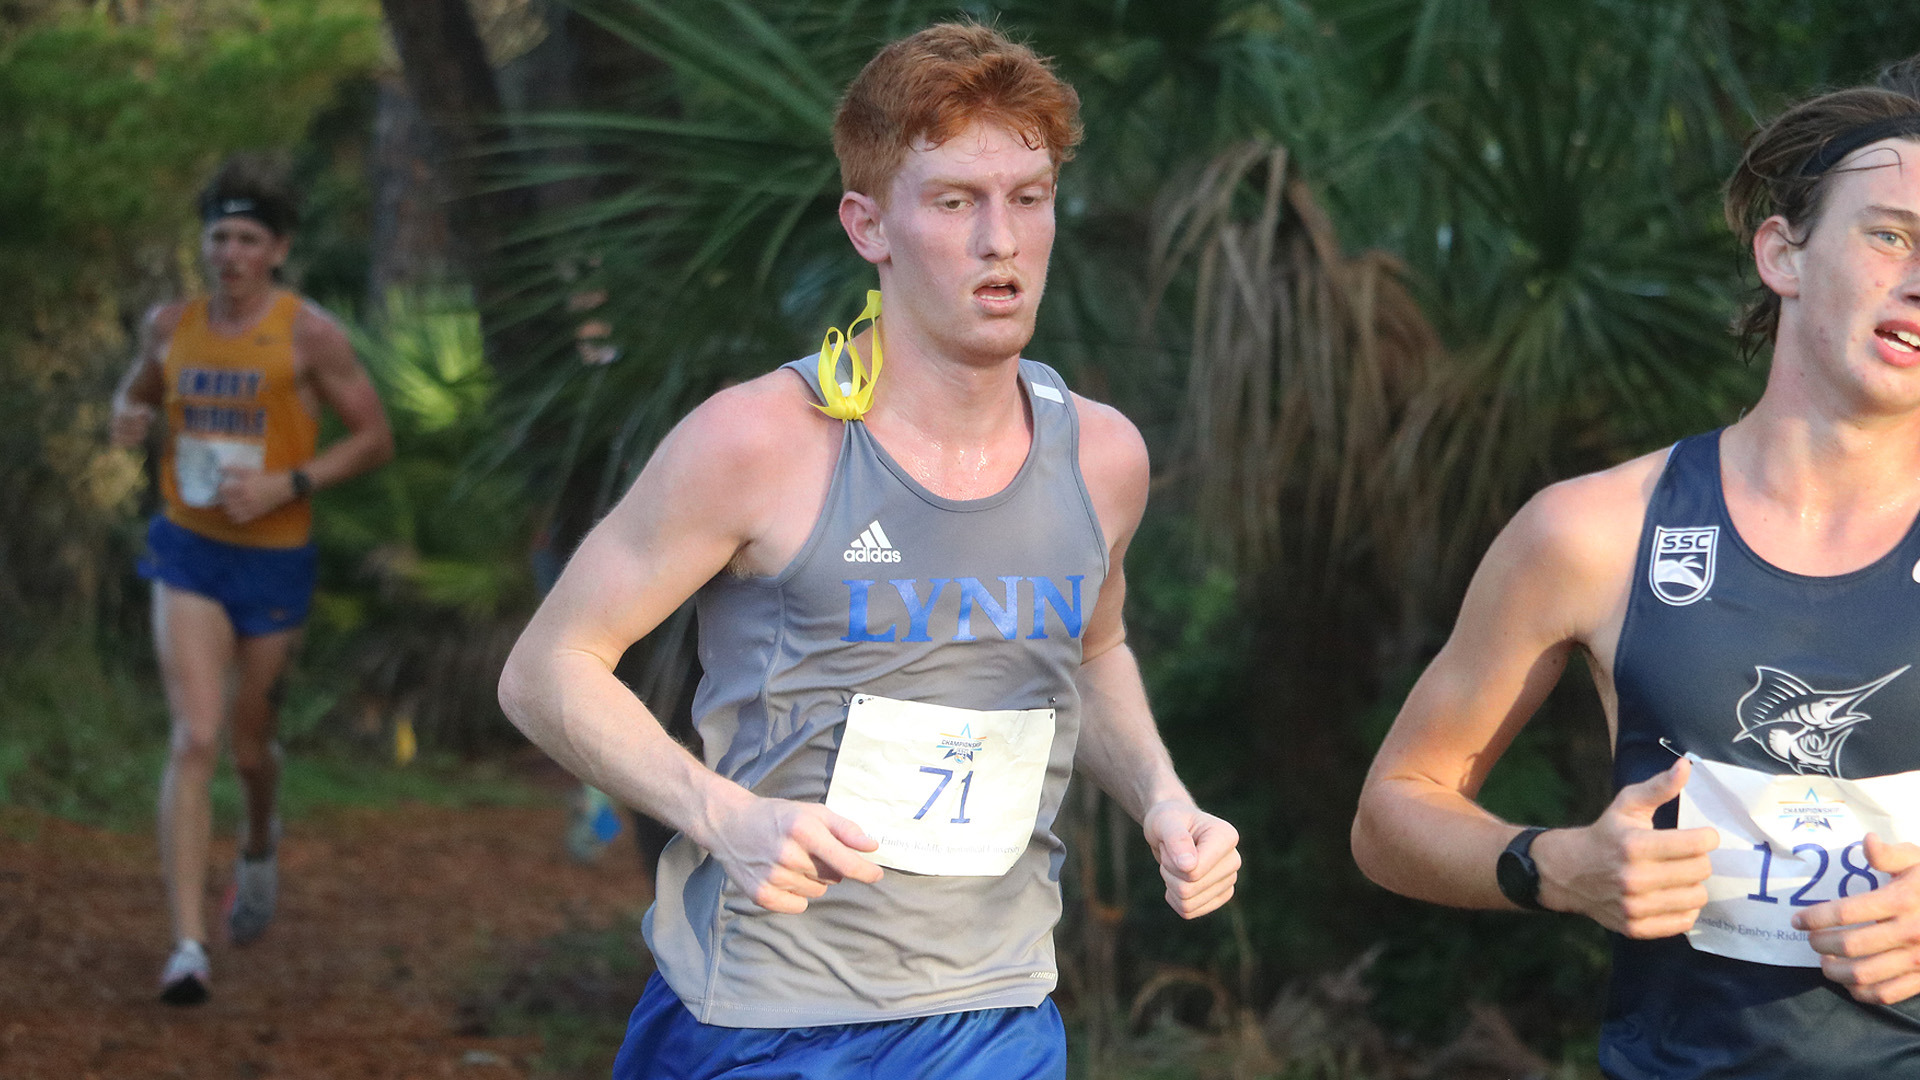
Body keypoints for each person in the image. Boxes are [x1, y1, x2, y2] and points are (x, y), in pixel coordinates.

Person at [498, 21, 1240, 1078]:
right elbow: (547, 671)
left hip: (998, 1015)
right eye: (954, 201)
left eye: (1028, 198)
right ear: (868, 224)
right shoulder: (757, 443)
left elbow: (1091, 650)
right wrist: (728, 818)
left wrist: (1165, 798)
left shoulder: (1103, 454)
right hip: (762, 1022)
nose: (1002, 239)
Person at [1351, 58, 1920, 1079]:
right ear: (1782, 255)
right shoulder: (1592, 531)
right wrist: (1556, 867)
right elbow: (1396, 808)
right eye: (1892, 236)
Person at [109, 156, 393, 1005]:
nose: (228, 252)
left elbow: (372, 437)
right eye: (217, 236)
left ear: (277, 250)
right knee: (194, 738)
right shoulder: (172, 324)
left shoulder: (308, 333)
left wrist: (289, 481)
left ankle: (261, 837)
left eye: (246, 239)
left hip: (273, 554)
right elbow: (139, 392)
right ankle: (188, 946)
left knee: (246, 744)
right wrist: (127, 415)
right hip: (187, 549)